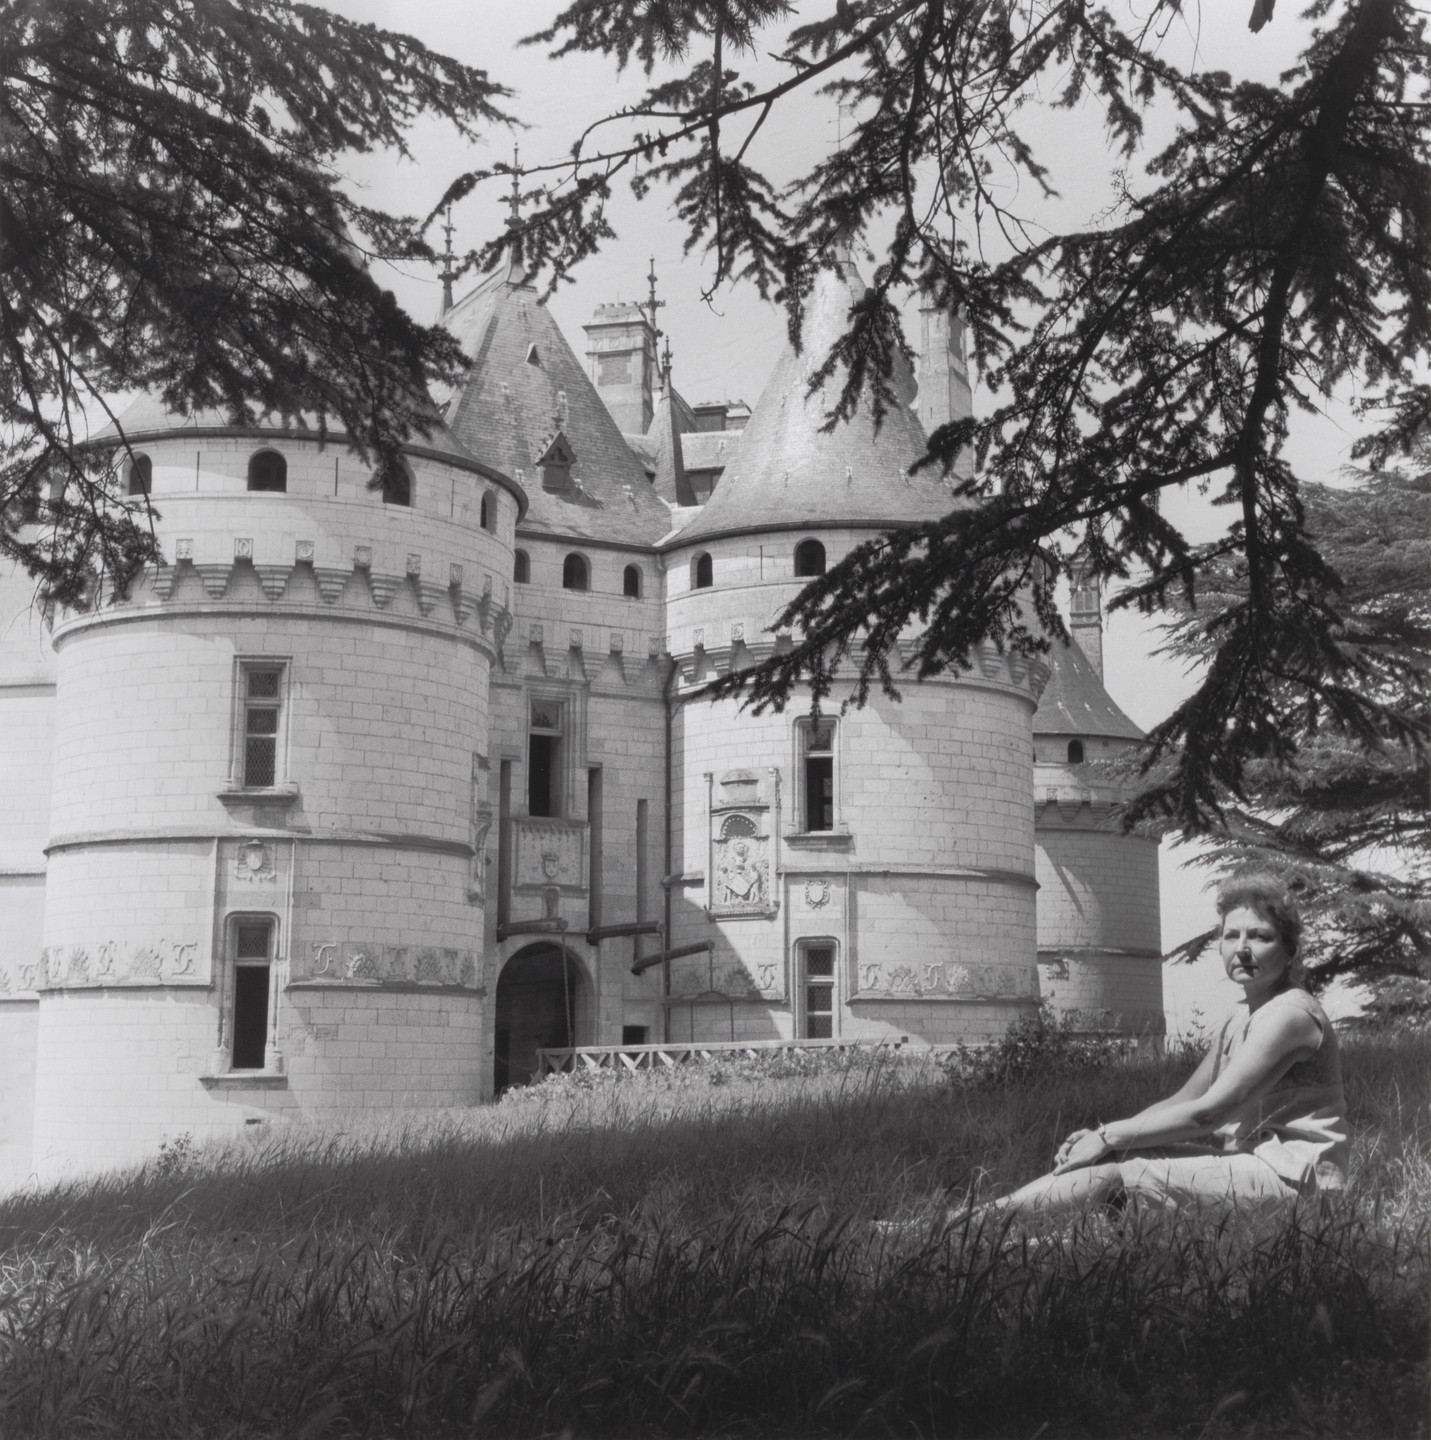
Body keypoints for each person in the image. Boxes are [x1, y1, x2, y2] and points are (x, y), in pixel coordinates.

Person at [974, 874, 1349, 1226]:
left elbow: (1209, 1114)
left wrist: (1107, 1138)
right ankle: (983, 1226)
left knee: (1117, 1170)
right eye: (1231, 936)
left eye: (1261, 937)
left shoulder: (1291, 1015)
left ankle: (968, 1224)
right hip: (1253, 1165)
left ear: (1289, 951)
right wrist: (1103, 1134)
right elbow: (1182, 1099)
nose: (1243, 949)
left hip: (1298, 1185)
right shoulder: (1241, 1019)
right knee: (1117, 1158)